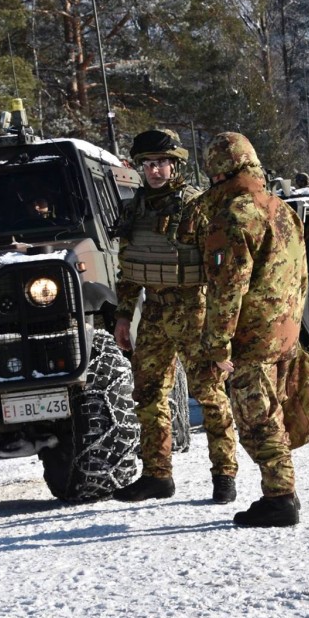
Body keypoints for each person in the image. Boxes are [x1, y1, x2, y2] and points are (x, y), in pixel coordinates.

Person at [112, 128, 239, 504]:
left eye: (161, 163)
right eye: (148, 164)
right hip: (153, 312)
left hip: (193, 310)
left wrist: (221, 326)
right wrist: (123, 316)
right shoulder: (134, 209)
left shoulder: (196, 206)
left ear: (175, 164)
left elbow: (221, 270)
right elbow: (129, 267)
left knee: (210, 394)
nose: (154, 171)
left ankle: (224, 475)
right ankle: (157, 475)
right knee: (148, 394)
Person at [199, 132, 309, 528]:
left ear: (217, 170)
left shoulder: (233, 216)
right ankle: (282, 492)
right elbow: (300, 276)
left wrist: (216, 346)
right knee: (272, 414)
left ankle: (279, 498)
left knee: (257, 420)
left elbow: (227, 289)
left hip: (253, 338)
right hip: (284, 333)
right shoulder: (283, 210)